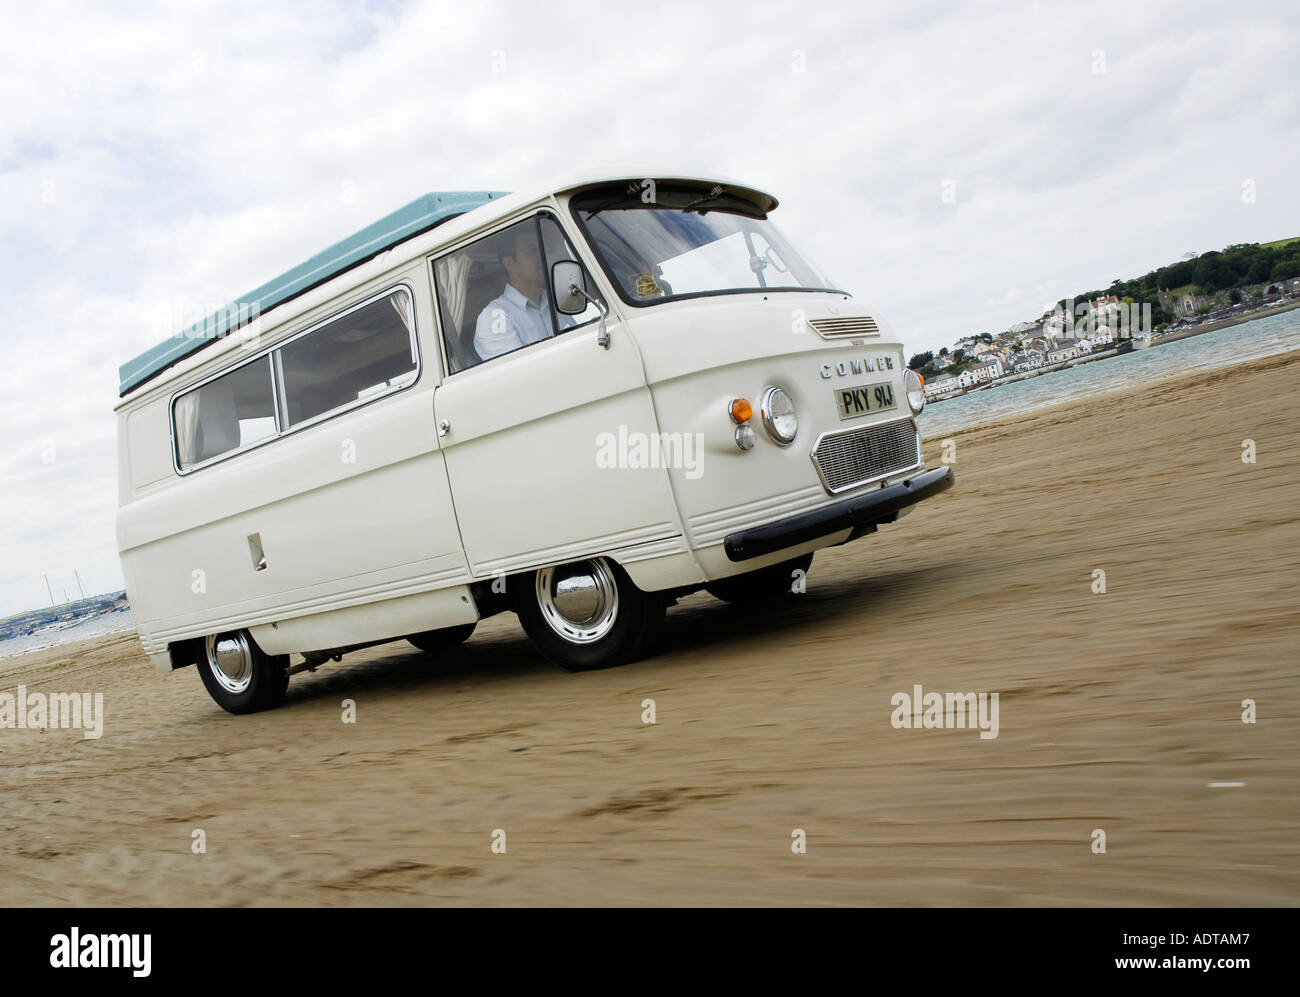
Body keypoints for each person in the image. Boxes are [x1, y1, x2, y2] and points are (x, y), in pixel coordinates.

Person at [473, 226, 563, 361]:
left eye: (542, 249)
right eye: (532, 251)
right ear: (509, 263)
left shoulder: (558, 301)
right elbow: (520, 375)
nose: (542, 255)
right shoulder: (494, 317)